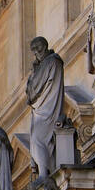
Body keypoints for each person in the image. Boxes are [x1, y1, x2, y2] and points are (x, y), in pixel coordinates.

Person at [26, 37, 65, 179]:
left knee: (37, 139)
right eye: (34, 50)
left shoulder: (52, 61)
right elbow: (31, 90)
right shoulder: (42, 65)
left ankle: (43, 174)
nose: (36, 53)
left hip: (48, 107)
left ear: (45, 46)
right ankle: (46, 171)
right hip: (41, 108)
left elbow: (34, 89)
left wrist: (36, 72)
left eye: (38, 48)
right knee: (38, 140)